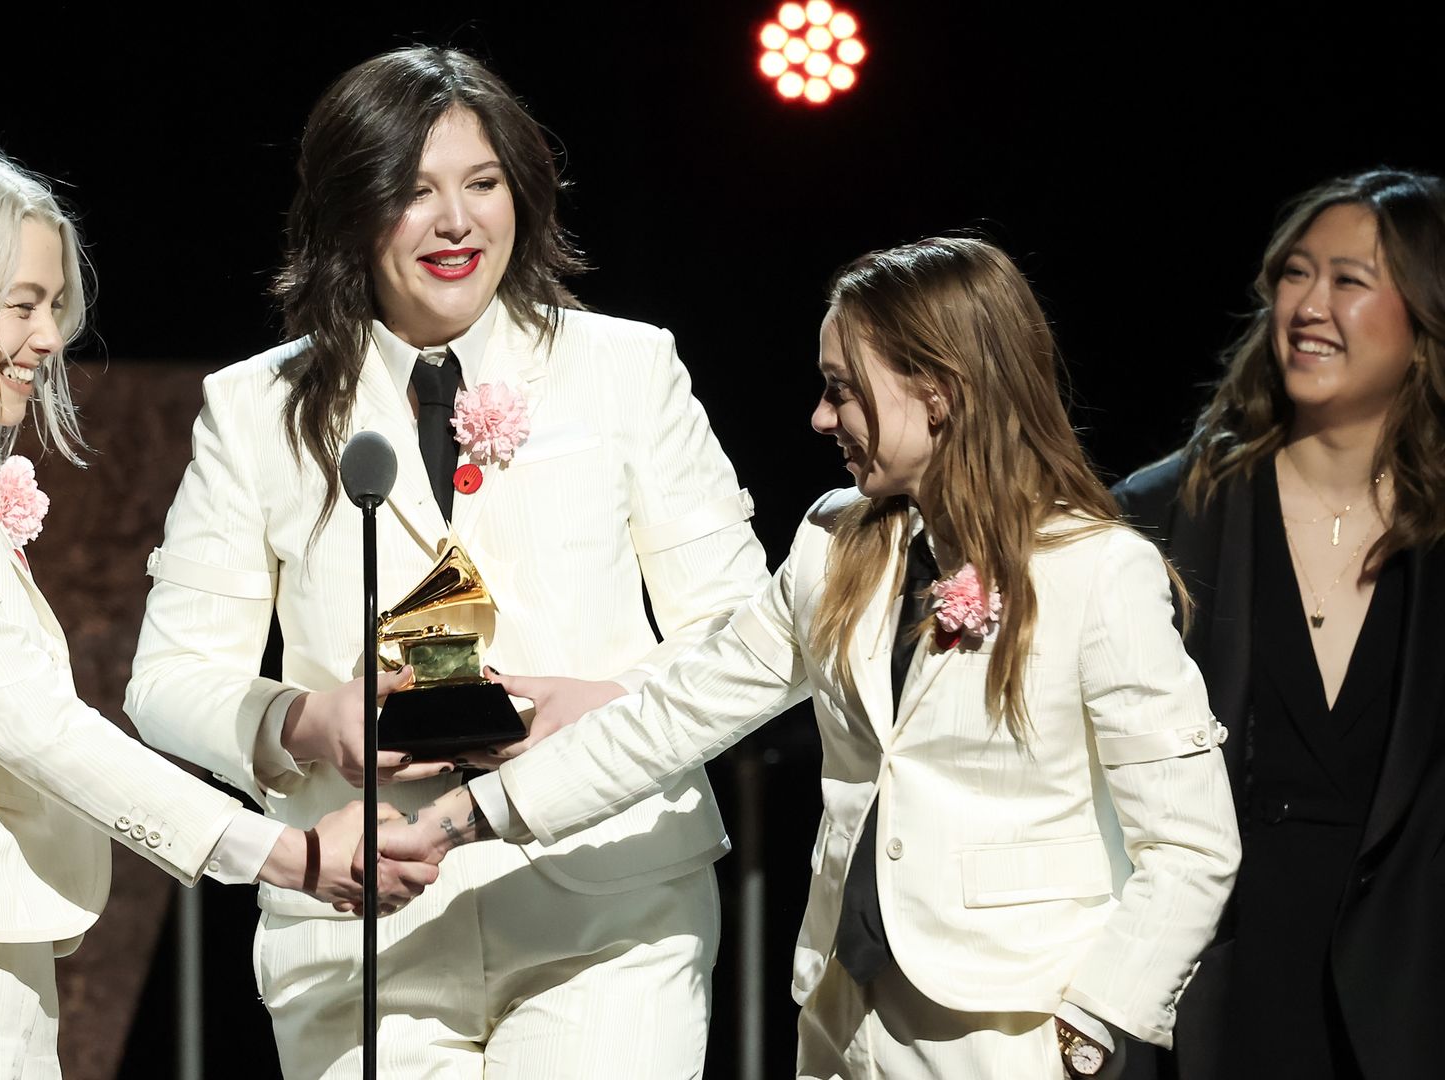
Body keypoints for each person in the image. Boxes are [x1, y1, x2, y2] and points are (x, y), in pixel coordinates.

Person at [390, 237, 1243, 1079]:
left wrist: (1090, 1031)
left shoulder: (1096, 570)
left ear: (937, 394)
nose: (821, 417)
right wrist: (462, 822)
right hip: (845, 1016)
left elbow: (1193, 844)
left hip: (1005, 1030)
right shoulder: (836, 544)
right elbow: (676, 715)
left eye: (843, 390)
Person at [125, 47, 769, 1077]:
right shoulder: (256, 410)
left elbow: (745, 638)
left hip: (608, 900)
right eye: (414, 193)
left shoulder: (625, 370)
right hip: (365, 916)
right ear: (348, 209)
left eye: (483, 185)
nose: (458, 223)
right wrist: (302, 720)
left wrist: (598, 702)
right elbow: (164, 683)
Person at [0, 142, 439, 1078]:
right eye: (22, 305)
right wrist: (281, 853)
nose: (50, 339)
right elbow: (32, 725)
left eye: (54, 307)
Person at [1111, 169, 1445, 1080]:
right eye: (1295, 274)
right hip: (1219, 990)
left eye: (1349, 279)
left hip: (1414, 997)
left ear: (1424, 319)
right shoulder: (1167, 512)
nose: (1309, 304)